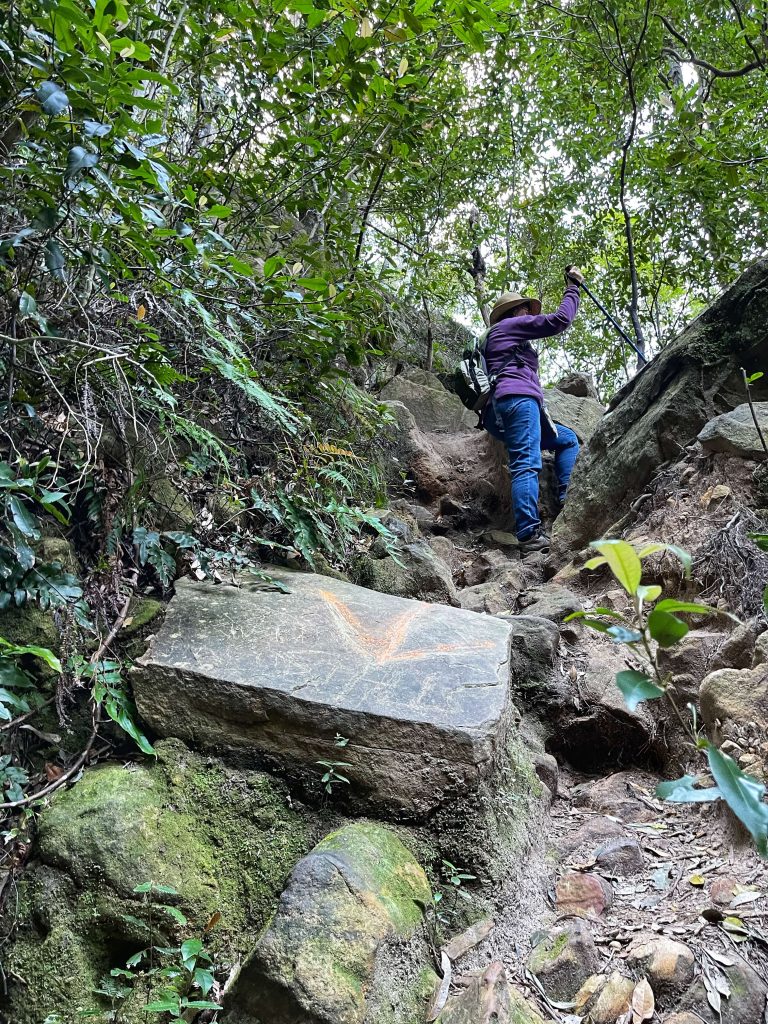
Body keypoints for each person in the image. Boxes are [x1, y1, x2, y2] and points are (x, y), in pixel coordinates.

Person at [482, 266, 584, 554]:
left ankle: (565, 497)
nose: (528, 313)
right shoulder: (507, 327)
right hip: (518, 400)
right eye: (525, 308)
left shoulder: (499, 338)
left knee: (567, 439)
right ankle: (529, 535)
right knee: (526, 462)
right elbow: (560, 320)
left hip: (503, 409)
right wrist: (573, 287)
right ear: (514, 312)